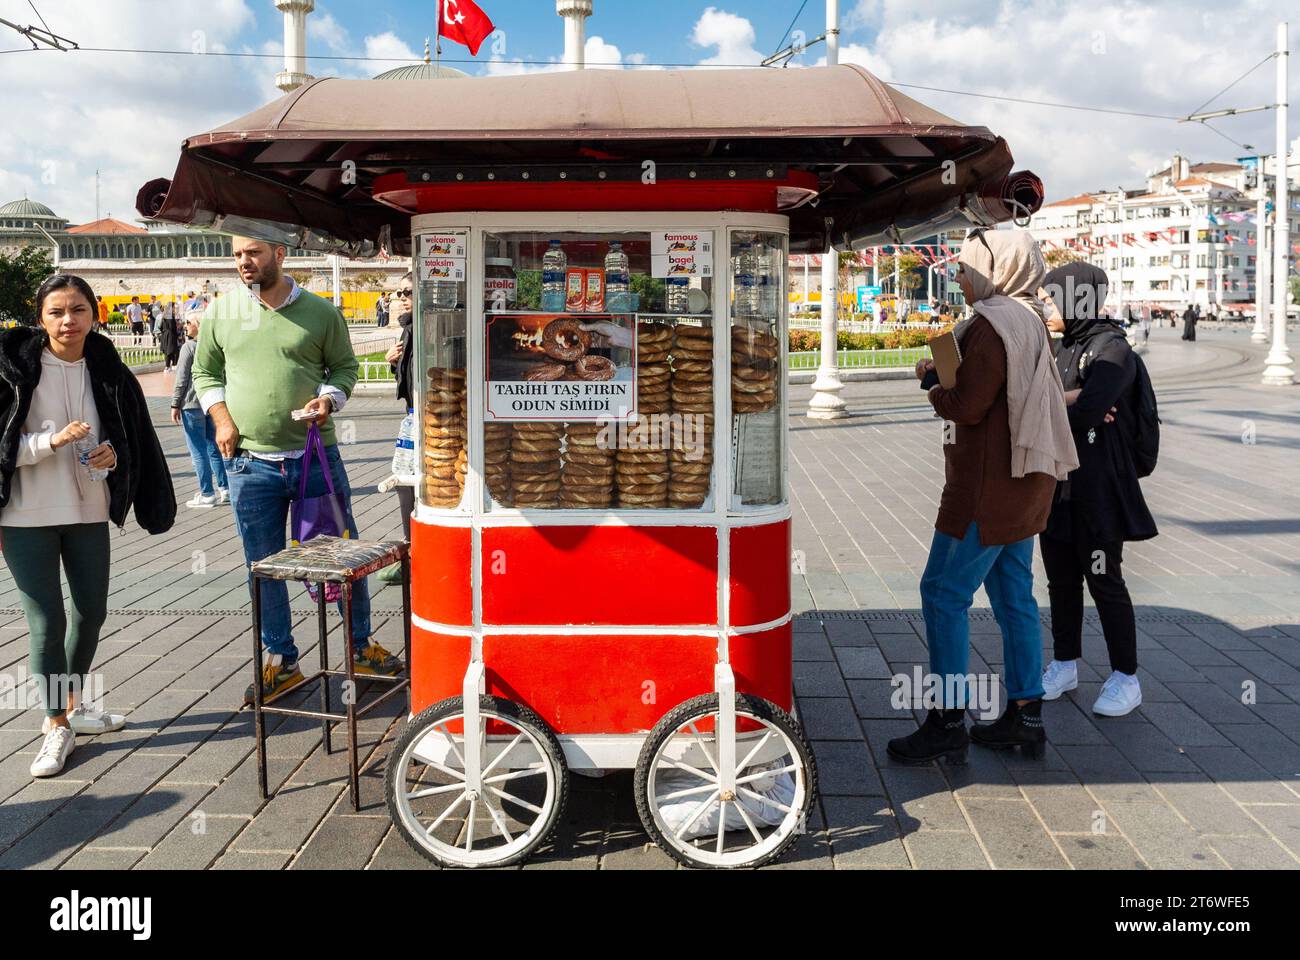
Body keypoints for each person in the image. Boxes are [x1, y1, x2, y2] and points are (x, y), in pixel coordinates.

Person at [889, 231, 1077, 765]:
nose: (961, 280)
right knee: (1014, 595)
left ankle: (948, 719)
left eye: (968, 272)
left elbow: (968, 405)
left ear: (997, 273)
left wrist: (932, 384)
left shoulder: (991, 326)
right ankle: (1026, 714)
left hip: (985, 489)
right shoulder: (1029, 319)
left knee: (942, 592)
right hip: (1025, 481)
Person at [193, 236, 402, 705]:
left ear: (280, 255)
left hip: (315, 459)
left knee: (339, 557)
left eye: (253, 253)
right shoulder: (222, 313)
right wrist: (222, 419)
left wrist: (329, 399)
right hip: (250, 463)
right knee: (262, 566)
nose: (244, 262)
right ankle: (281, 658)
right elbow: (206, 374)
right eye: (238, 255)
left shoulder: (321, 313)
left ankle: (359, 645)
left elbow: (346, 368)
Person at [0, 274, 176, 778]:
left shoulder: (108, 370)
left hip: (88, 512)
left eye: (78, 310)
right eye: (56, 312)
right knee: (47, 622)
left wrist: (111, 455)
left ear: (95, 315)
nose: (67, 321)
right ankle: (55, 724)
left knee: (92, 613)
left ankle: (73, 704)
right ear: (40, 318)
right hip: (25, 514)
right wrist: (47, 444)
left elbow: (128, 437)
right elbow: (4, 447)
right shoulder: (13, 371)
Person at [1038, 264, 1157, 717]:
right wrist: (1069, 402)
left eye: (1052, 298)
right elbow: (1043, 401)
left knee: (1104, 581)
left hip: (1100, 490)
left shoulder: (1112, 349)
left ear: (1077, 299)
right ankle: (1065, 663)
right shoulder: (1061, 345)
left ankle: (1126, 677)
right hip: (1058, 485)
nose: (1046, 307)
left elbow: (1084, 414)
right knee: (1060, 581)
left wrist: (1062, 404)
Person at [377, 273, 415, 584]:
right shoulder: (407, 330)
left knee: (410, 485)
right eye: (398, 292)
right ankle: (411, 553)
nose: (401, 297)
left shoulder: (423, 327)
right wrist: (392, 362)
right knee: (407, 484)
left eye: (408, 292)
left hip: (428, 419)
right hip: (413, 418)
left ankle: (413, 557)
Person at [171, 313, 229, 508]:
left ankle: (207, 493)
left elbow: (182, 379)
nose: (185, 326)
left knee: (198, 450)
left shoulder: (189, 347)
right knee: (214, 447)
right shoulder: (214, 347)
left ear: (198, 325)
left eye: (188, 322)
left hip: (192, 403)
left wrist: (175, 403)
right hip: (212, 402)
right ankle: (225, 488)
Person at [158, 298, 180, 373]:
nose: (175, 309)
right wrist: (178, 328)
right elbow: (172, 327)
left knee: (168, 351)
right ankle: (172, 366)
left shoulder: (164, 315)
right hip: (170, 335)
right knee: (172, 351)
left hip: (165, 335)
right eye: (174, 307)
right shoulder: (170, 315)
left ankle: (168, 366)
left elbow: (160, 327)